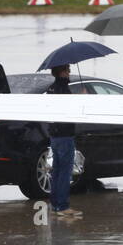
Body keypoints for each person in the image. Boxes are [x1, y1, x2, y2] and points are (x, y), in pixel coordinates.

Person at [46, 64, 81, 219]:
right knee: (65, 172)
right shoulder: (63, 90)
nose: (70, 73)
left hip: (54, 135)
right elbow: (70, 111)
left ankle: (55, 203)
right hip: (65, 134)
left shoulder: (51, 89)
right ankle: (62, 205)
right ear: (62, 72)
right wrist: (82, 99)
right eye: (67, 70)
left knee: (57, 170)